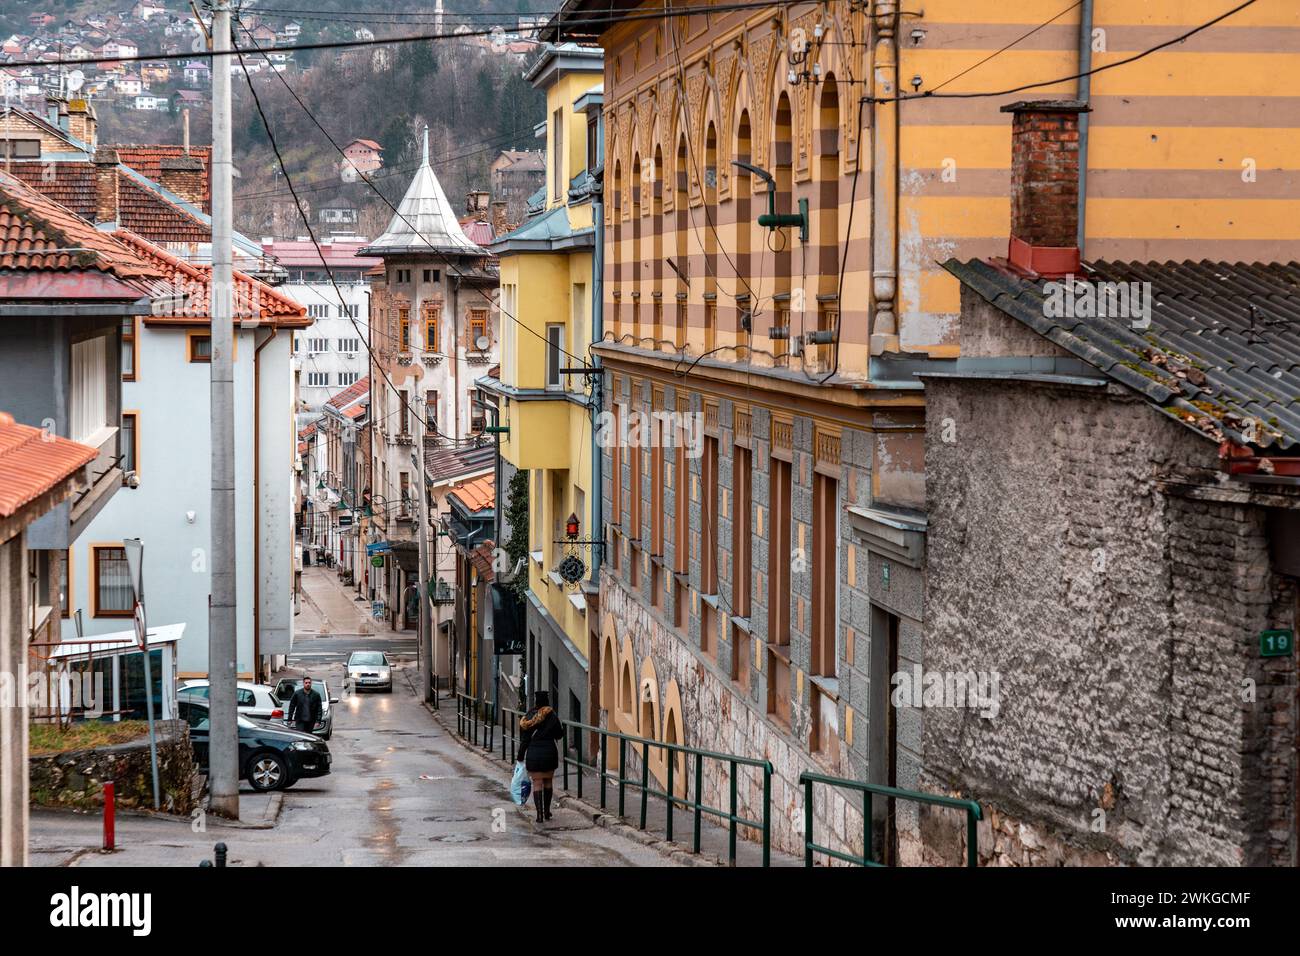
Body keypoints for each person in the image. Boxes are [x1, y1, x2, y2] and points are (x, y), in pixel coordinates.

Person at [517, 691, 565, 822]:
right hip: (549, 753)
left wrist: (520, 756)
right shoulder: (552, 715)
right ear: (547, 701)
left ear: (536, 702)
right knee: (548, 782)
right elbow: (559, 735)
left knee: (537, 783)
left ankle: (539, 815)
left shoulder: (528, 717)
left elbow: (525, 739)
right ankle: (547, 811)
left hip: (533, 754)